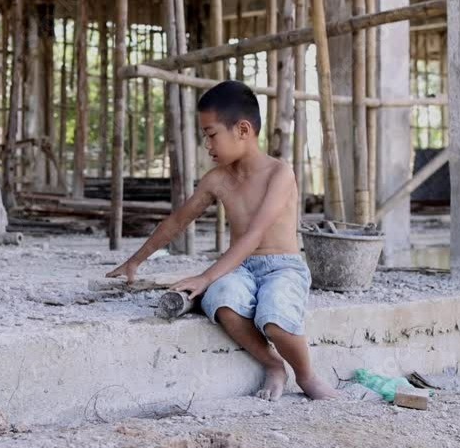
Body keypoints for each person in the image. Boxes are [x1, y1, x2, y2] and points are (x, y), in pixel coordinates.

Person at [107, 81, 339, 401]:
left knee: (274, 317)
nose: (207, 144)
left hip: (282, 267)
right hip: (240, 267)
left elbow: (255, 233)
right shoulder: (216, 179)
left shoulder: (279, 173)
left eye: (211, 133)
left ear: (242, 129)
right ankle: (273, 365)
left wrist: (205, 276)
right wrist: (136, 260)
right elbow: (177, 221)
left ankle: (306, 375)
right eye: (205, 136)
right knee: (224, 301)